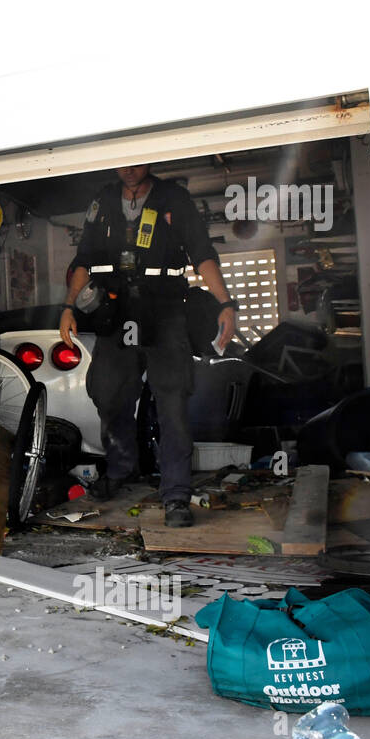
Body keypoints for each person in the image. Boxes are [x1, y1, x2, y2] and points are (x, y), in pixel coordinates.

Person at [58, 164, 236, 527]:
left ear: (149, 160)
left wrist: (226, 304)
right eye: (121, 163)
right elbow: (83, 260)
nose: (129, 170)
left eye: (136, 161)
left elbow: (202, 254)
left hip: (166, 308)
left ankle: (176, 495)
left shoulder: (174, 198)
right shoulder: (104, 200)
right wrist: (68, 306)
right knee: (108, 392)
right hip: (115, 309)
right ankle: (122, 468)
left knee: (172, 398)